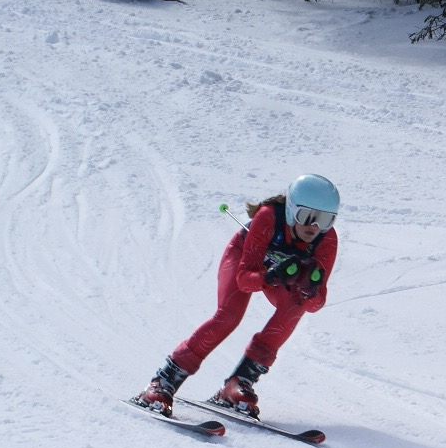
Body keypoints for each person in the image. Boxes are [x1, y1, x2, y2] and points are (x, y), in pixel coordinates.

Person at [133, 174, 341, 419]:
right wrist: (271, 277)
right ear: (291, 210)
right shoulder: (267, 217)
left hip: (276, 274)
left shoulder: (326, 240)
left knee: (295, 307)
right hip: (244, 261)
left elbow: (316, 304)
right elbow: (244, 280)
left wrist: (310, 290)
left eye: (326, 220)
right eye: (307, 216)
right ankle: (163, 382)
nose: (315, 227)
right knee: (228, 316)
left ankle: (238, 384)